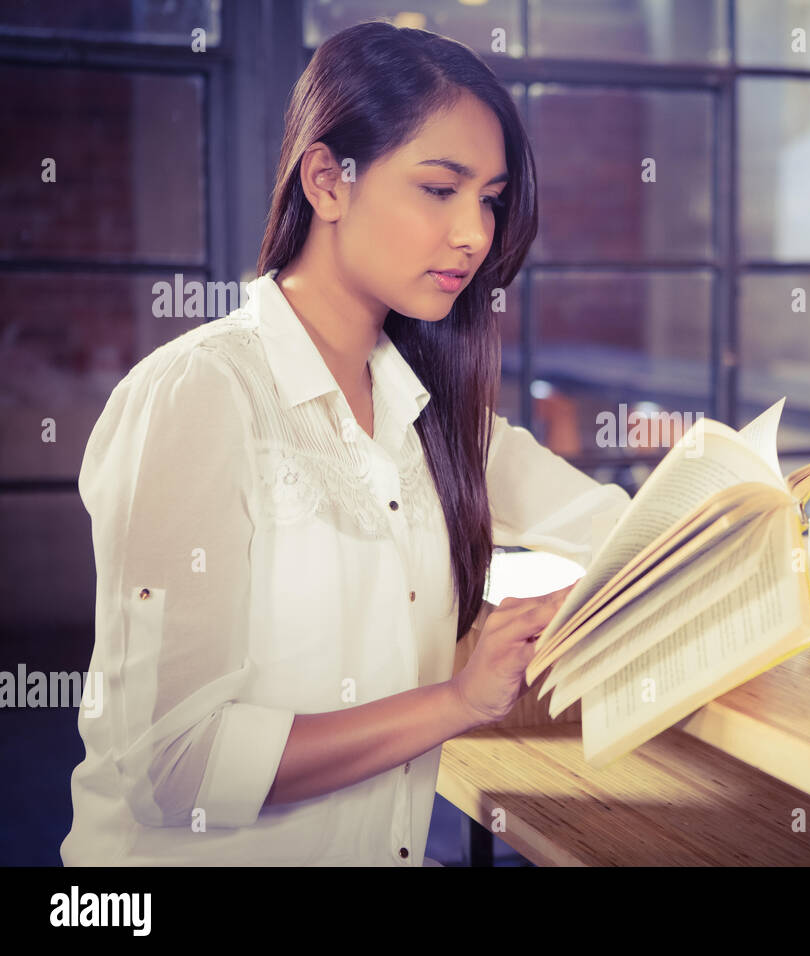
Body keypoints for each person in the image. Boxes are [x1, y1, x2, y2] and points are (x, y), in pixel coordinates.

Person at [61, 22, 631, 866]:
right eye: (440, 189)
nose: (475, 232)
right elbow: (172, 765)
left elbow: (627, 529)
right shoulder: (200, 397)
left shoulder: (434, 413)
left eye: (491, 198)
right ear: (328, 180)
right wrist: (458, 699)